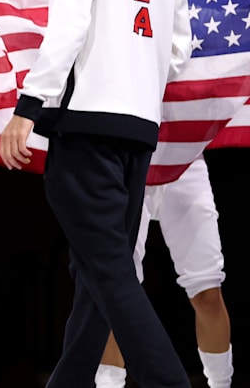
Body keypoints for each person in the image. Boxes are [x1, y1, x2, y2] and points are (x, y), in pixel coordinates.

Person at [0, 0, 193, 387]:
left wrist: (28, 107)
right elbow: (178, 50)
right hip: (139, 130)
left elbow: (69, 23)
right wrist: (133, 74)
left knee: (110, 276)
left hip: (86, 127)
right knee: (95, 281)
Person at [95, 156, 233, 388]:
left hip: (184, 161)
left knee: (208, 292)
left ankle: (221, 384)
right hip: (128, 159)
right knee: (113, 291)